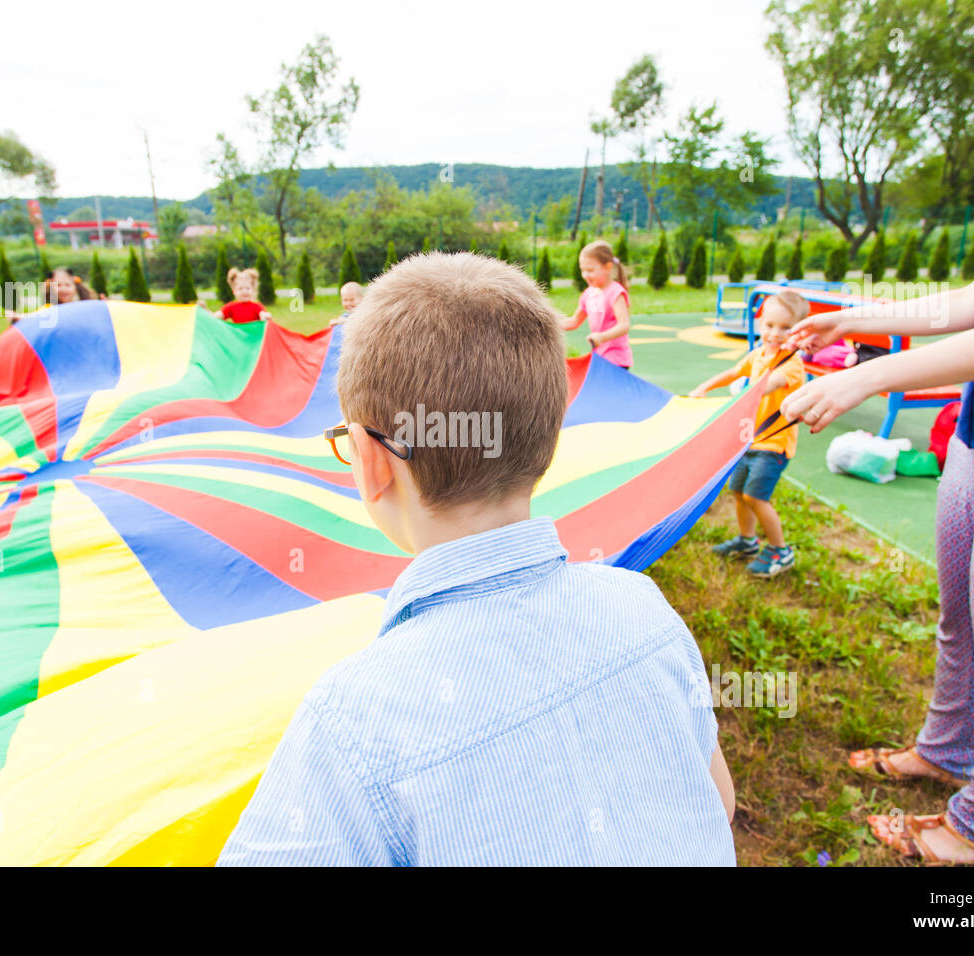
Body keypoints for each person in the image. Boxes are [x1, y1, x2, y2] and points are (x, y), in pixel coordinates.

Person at [217, 252, 735, 866]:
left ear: (370, 460)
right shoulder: (642, 607)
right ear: (548, 436)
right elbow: (717, 803)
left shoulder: (351, 721)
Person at [780, 4, 974, 866]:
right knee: (960, 625)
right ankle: (946, 752)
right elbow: (972, 303)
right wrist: (856, 318)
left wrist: (868, 375)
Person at [689, 291, 807, 578]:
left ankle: (781, 549)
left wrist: (740, 397)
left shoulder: (791, 365)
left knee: (756, 496)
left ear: (800, 331)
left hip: (773, 445)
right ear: (761, 323)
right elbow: (733, 372)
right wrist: (705, 387)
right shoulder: (758, 354)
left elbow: (769, 383)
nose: (775, 334)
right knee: (739, 493)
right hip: (748, 440)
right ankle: (747, 540)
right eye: (769, 325)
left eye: (786, 328)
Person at [562, 240, 632, 369]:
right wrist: (548, 325)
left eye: (590, 270)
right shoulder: (588, 294)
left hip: (616, 358)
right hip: (599, 357)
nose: (585, 275)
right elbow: (574, 322)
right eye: (583, 270)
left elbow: (624, 325)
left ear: (608, 267)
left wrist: (602, 337)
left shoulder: (615, 292)